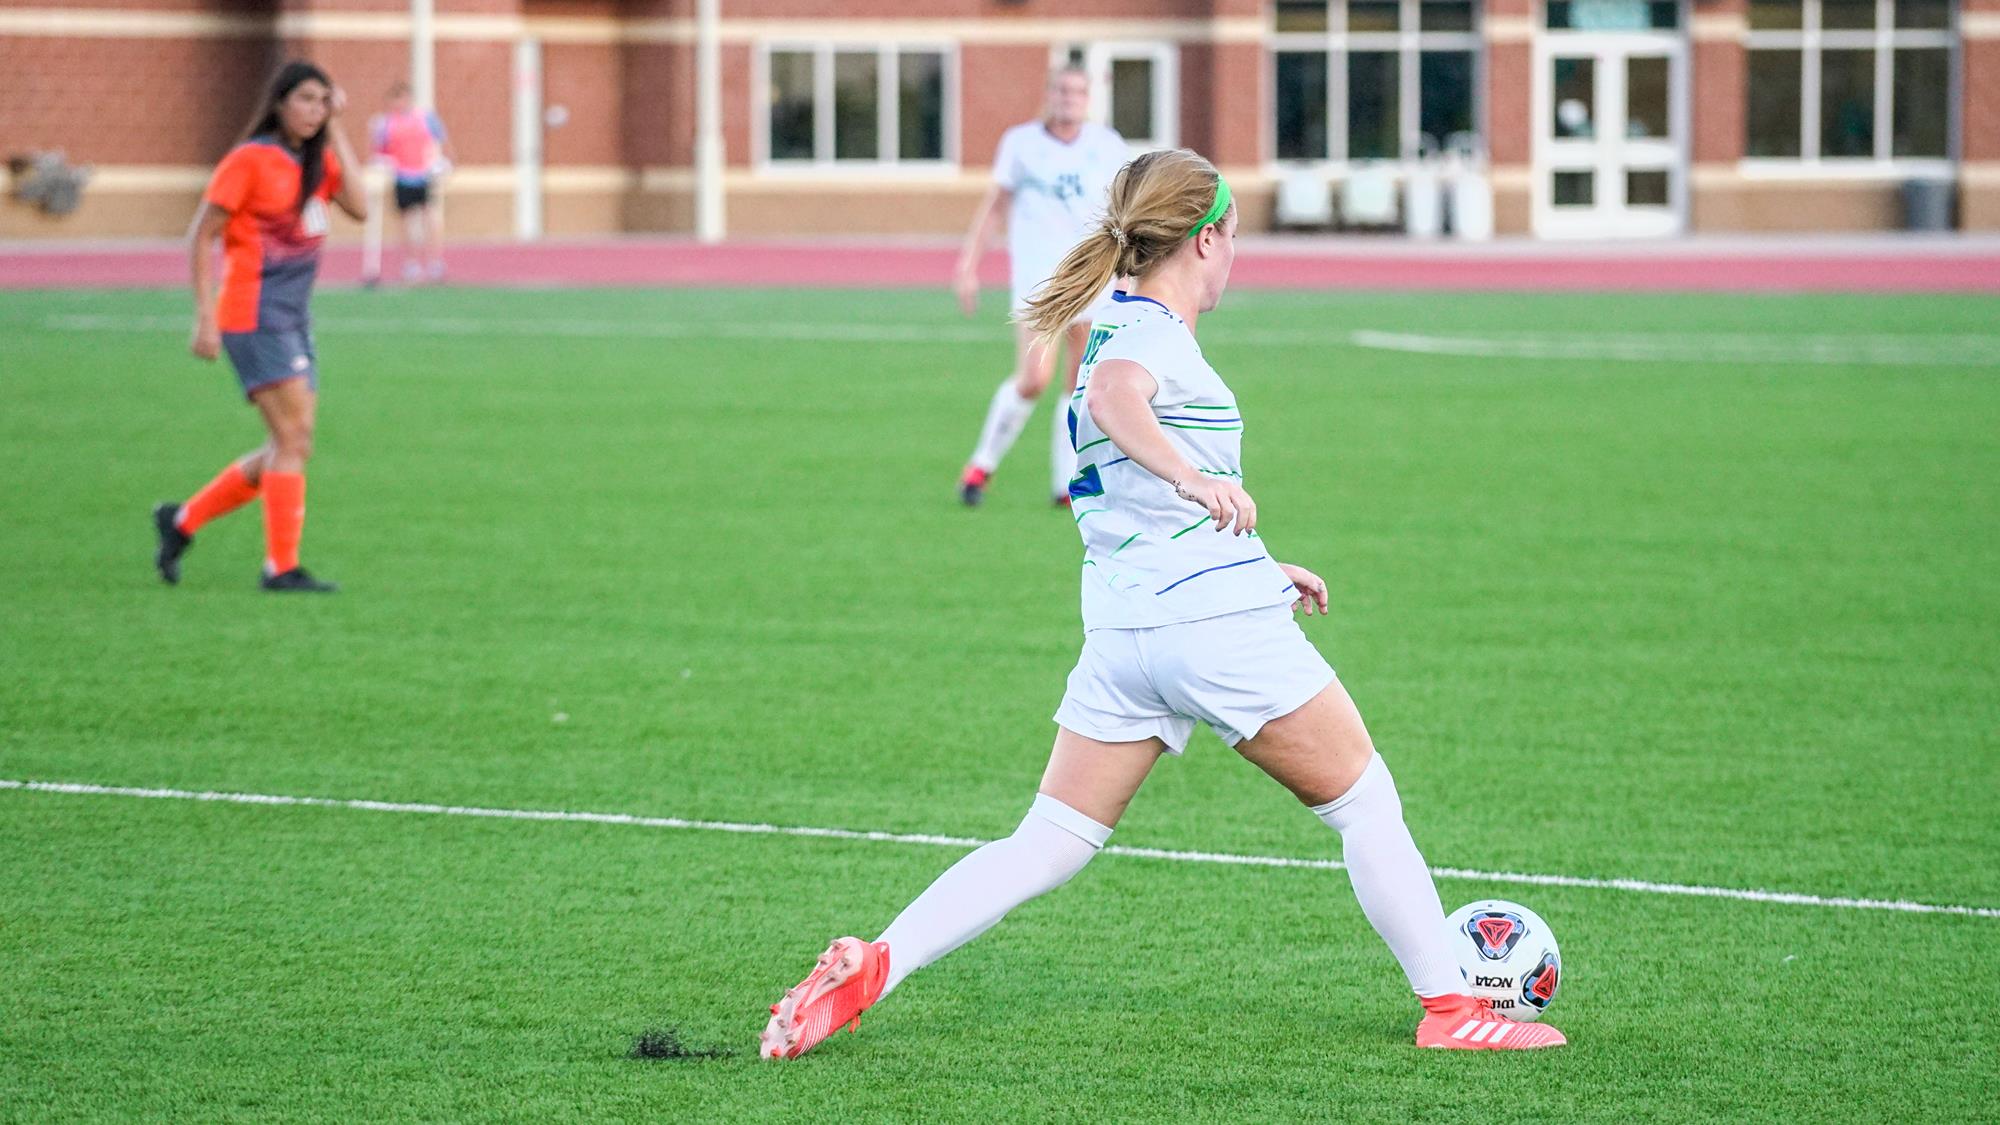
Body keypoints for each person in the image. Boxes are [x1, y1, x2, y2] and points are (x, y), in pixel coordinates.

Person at [760, 149, 1568, 1059]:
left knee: (1048, 842)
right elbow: (1116, 404)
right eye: (1233, 242)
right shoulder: (1141, 341)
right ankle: (1454, 1011)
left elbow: (1143, 485)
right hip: (1211, 630)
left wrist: (1263, 566)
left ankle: (878, 961)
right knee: (1366, 803)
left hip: (1127, 634)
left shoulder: (1107, 326)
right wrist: (1193, 479)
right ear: (1207, 238)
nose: (1235, 260)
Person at [154, 60, 365, 593]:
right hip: (252, 314)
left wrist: (339, 128)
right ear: (279, 103)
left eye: (323, 101)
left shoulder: (315, 163)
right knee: (294, 438)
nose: (314, 111)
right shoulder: (250, 161)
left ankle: (181, 521)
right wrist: (205, 317)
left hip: (293, 319)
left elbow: (361, 206)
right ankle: (280, 568)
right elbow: (201, 235)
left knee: (290, 442)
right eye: (306, 100)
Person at [953, 65, 1128, 508]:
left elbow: (1123, 215)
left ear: (1088, 98)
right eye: (1061, 90)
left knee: (1079, 383)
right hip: (1039, 281)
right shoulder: (1021, 143)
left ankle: (1065, 485)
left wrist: (1127, 270)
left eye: (1077, 91)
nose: (1069, 98)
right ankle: (980, 465)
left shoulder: (1107, 147)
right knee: (1033, 379)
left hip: (1090, 278)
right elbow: (995, 208)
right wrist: (969, 264)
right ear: (1048, 94)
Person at [369, 81, 453, 283]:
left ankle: (435, 262)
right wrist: (380, 162)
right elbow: (377, 150)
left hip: (424, 176)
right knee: (407, 222)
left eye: (403, 98)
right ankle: (411, 263)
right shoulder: (385, 124)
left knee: (431, 219)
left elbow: (443, 140)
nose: (400, 104)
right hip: (401, 177)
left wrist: (447, 162)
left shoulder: (425, 119)